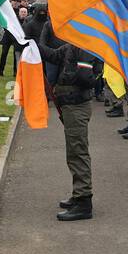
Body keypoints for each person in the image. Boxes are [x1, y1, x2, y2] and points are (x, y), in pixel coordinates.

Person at [38, 22, 98, 221]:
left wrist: (71, 74)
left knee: (78, 152)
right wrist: (31, 45)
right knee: (73, 152)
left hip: (77, 105)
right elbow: (54, 56)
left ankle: (83, 201)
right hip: (70, 105)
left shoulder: (85, 47)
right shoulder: (72, 46)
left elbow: (86, 78)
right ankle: (78, 194)